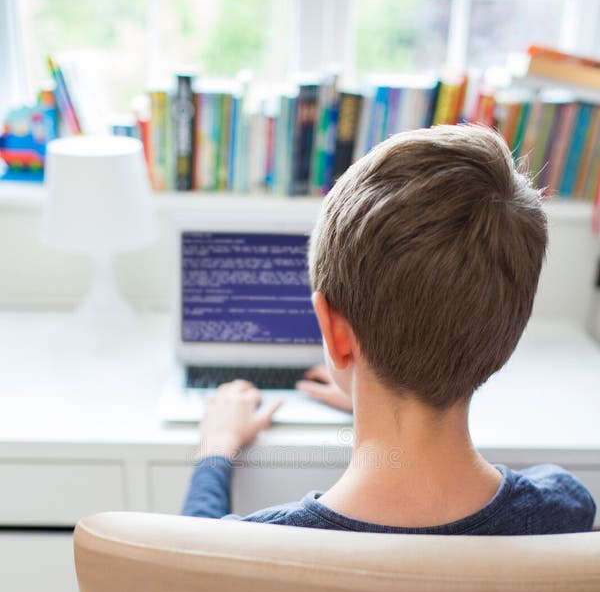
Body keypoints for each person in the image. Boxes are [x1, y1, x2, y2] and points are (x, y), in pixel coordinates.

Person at [181, 123, 595, 534]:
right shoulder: (563, 508)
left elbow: (189, 548)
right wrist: (402, 396)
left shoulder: (256, 542)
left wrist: (215, 449)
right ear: (508, 331)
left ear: (336, 334)